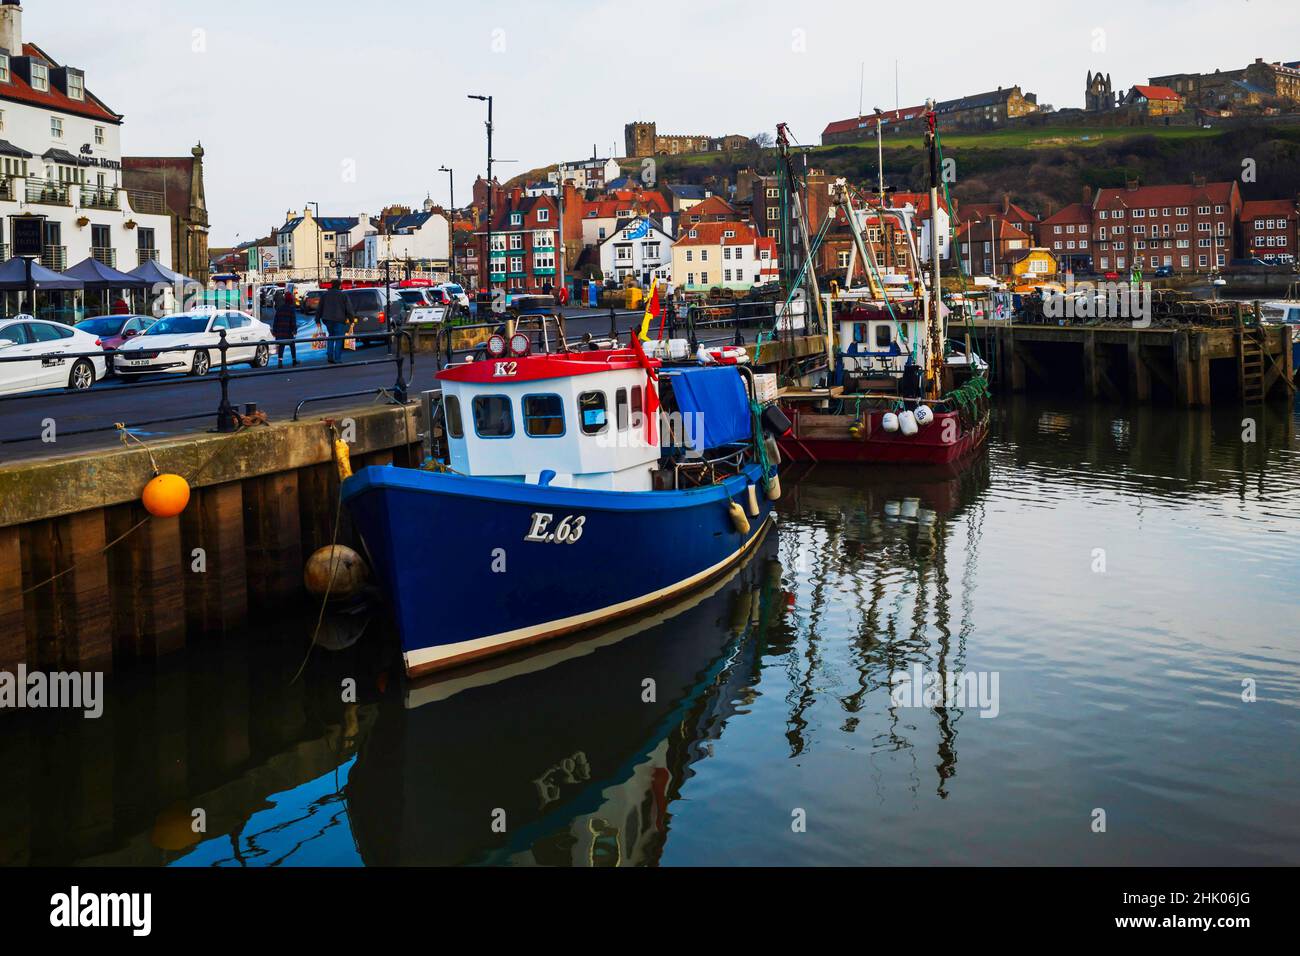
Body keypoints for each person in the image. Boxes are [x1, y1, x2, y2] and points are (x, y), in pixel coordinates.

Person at [315, 281, 355, 364]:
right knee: (339, 339)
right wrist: (351, 320)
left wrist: (317, 320)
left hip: (327, 319)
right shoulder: (343, 295)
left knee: (331, 336)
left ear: (332, 285)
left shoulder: (325, 295)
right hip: (339, 319)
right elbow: (349, 309)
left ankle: (330, 356)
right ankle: (337, 358)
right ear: (339, 286)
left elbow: (319, 308)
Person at [271, 289, 299, 366]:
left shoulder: (280, 308)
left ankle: (280, 362)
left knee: (281, 346)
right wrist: (294, 330)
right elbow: (293, 321)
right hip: (288, 331)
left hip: (280, 331)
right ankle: (294, 360)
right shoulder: (291, 309)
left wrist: (274, 331)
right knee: (292, 345)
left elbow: (275, 320)